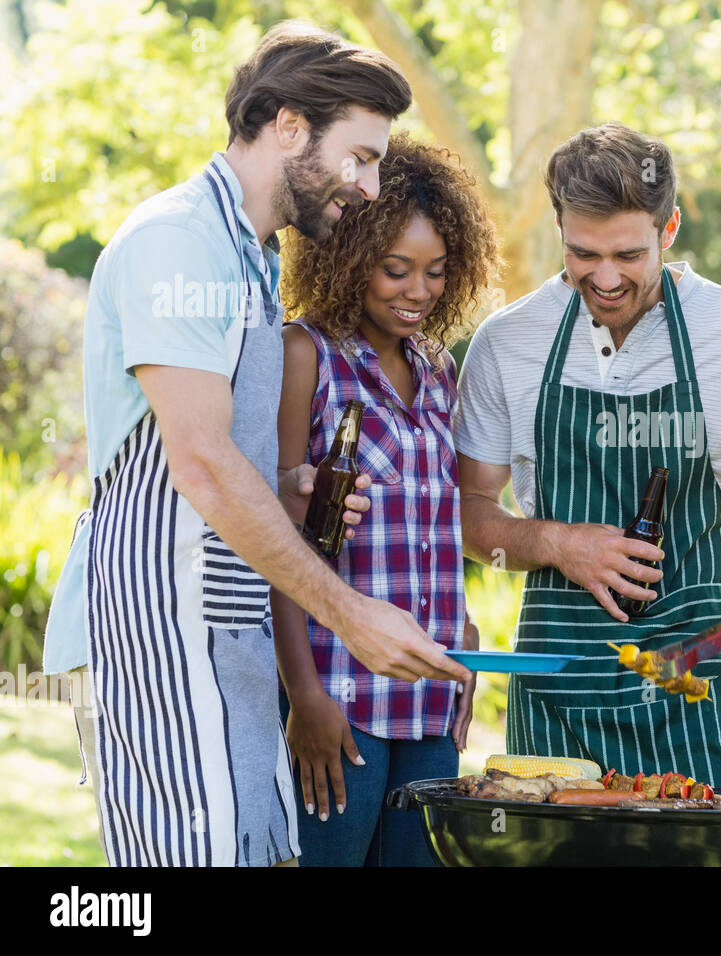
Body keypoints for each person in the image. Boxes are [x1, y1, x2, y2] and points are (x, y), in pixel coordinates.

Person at [40, 21, 469, 867]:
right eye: (360, 156)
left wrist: (293, 485)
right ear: (286, 126)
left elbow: (235, 462)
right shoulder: (179, 239)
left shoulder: (250, 256)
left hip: (228, 626)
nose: (369, 185)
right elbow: (198, 462)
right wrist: (348, 614)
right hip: (162, 621)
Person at [452, 123, 721, 792]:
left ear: (670, 229)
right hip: (557, 694)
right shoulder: (507, 342)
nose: (604, 279)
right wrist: (553, 540)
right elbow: (467, 513)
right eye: (583, 253)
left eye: (628, 255)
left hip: (698, 688)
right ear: (558, 228)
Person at [273, 131, 500, 865]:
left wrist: (461, 641)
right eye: (396, 270)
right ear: (348, 255)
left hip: (430, 692)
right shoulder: (305, 355)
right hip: (338, 695)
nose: (419, 292)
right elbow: (275, 538)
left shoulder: (438, 370)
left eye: (436, 272)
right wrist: (303, 696)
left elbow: (441, 522)